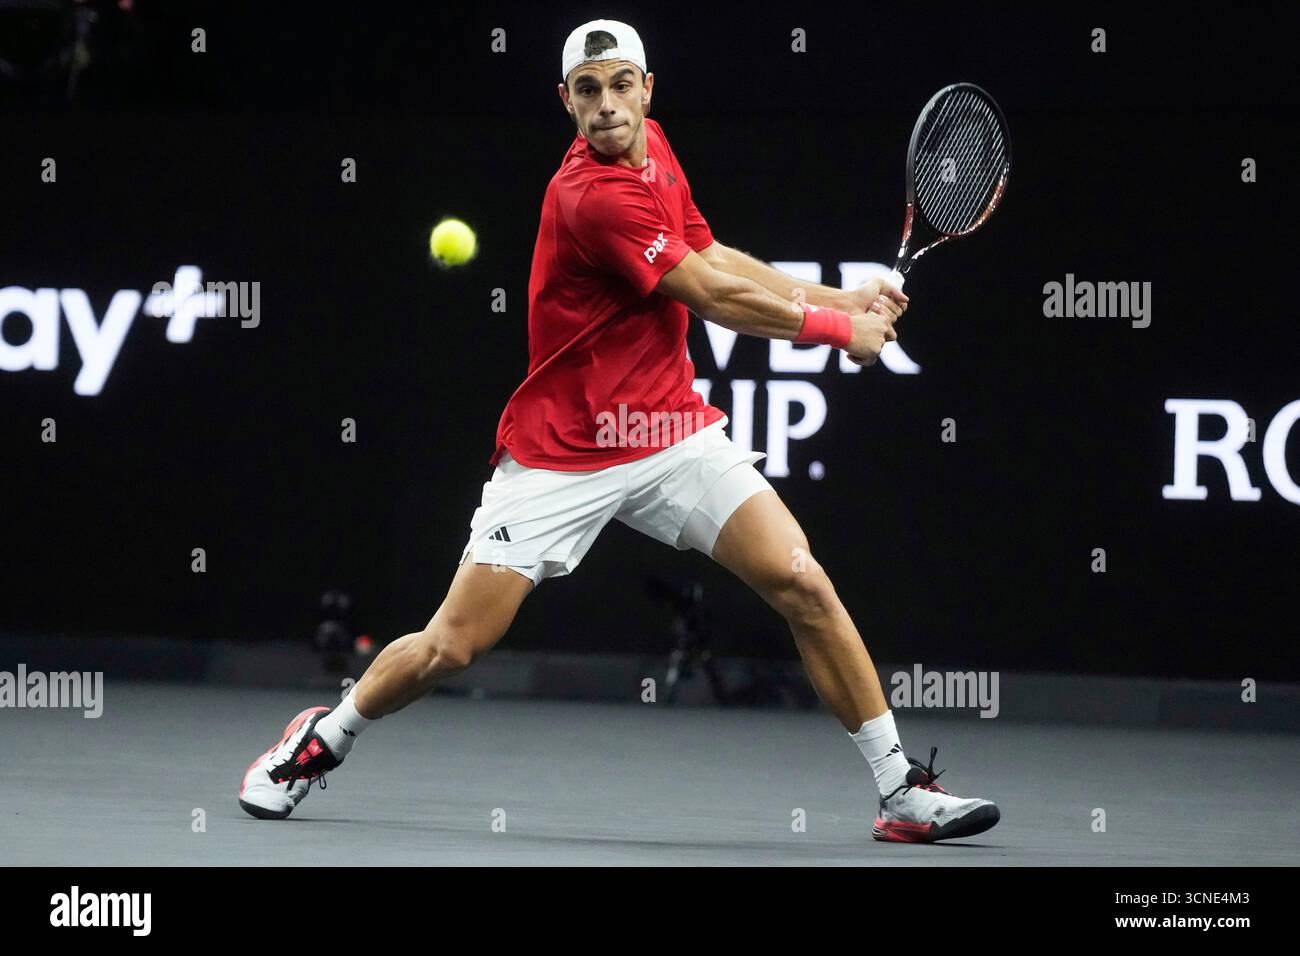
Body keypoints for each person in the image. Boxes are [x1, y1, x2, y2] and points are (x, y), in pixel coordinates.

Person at [239, 18, 1000, 844]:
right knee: (451, 648)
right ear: (566, 100)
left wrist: (838, 297)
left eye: (621, 84)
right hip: (562, 455)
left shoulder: (656, 148)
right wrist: (831, 330)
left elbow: (712, 255)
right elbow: (708, 299)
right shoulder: (589, 196)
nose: (607, 105)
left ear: (646, 88)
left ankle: (900, 790)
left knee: (800, 579)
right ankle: (322, 738)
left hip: (670, 432)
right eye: (588, 90)